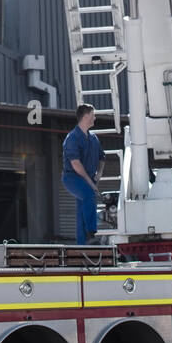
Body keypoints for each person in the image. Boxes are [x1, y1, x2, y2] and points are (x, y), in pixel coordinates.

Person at [61, 103, 106, 245]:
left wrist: (99, 173)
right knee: (88, 194)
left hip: (88, 178)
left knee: (82, 208)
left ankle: (82, 245)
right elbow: (76, 164)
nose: (95, 118)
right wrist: (91, 183)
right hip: (72, 178)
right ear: (86, 116)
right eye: (93, 115)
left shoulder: (94, 138)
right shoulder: (72, 138)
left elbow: (102, 157)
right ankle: (90, 233)